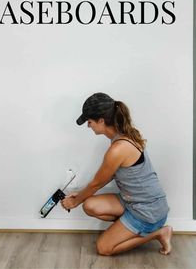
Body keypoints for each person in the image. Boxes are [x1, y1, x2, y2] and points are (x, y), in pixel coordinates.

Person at [60, 92, 173, 256]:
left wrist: (74, 202)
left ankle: (158, 233)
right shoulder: (123, 135)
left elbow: (96, 184)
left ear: (101, 121)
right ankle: (127, 228)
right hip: (134, 202)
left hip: (148, 211)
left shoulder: (118, 148)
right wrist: (82, 196)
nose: (88, 126)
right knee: (89, 205)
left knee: (103, 248)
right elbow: (106, 176)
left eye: (90, 122)